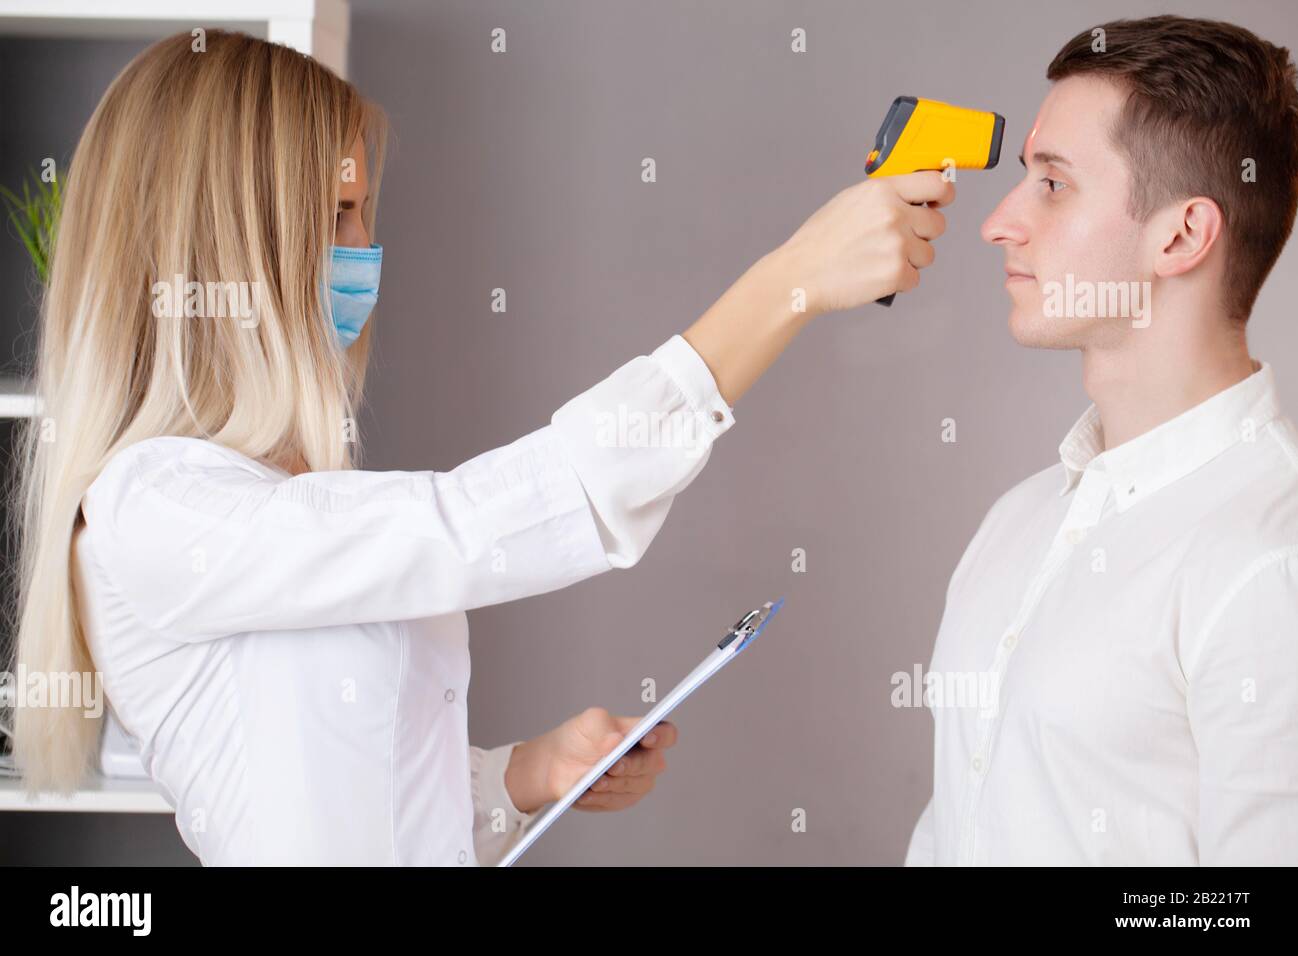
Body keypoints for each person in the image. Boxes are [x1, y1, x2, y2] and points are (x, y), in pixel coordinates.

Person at [7, 29, 954, 865]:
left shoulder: (265, 495)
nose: (365, 247)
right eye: (337, 217)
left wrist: (524, 775)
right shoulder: (156, 505)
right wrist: (784, 286)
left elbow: (348, 792)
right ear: (225, 247)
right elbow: (468, 526)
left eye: (364, 211)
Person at [906, 15, 1298, 866]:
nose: (998, 223)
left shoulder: (1272, 563)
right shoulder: (1014, 526)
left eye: (1053, 185)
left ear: (1181, 235)